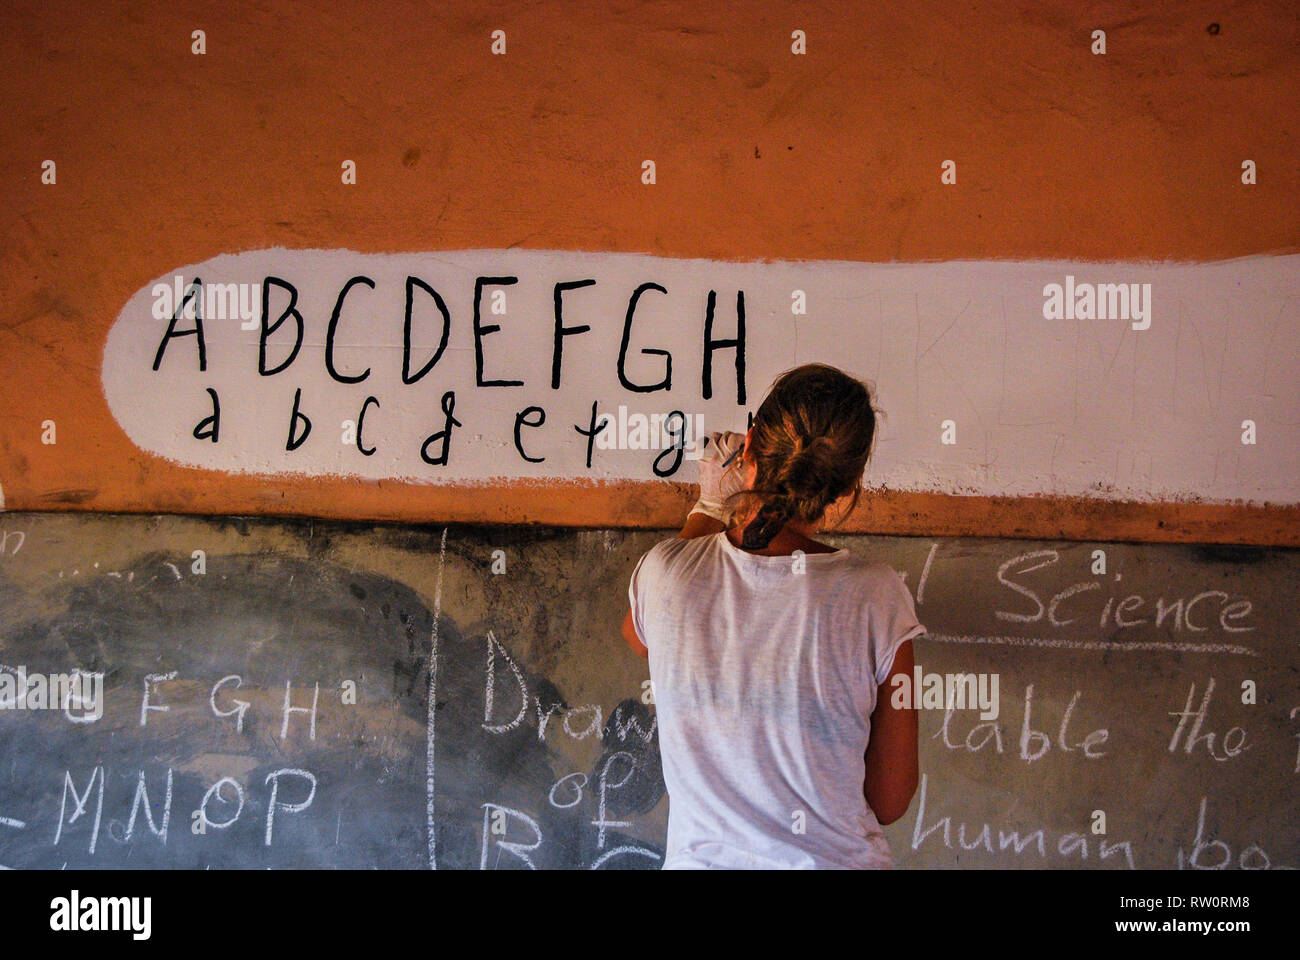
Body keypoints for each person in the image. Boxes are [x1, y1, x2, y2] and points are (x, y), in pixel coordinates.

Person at [622, 362, 926, 869]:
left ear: (747, 450)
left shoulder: (665, 574)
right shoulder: (877, 597)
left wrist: (709, 507)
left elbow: (642, 635)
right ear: (849, 488)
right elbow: (890, 799)